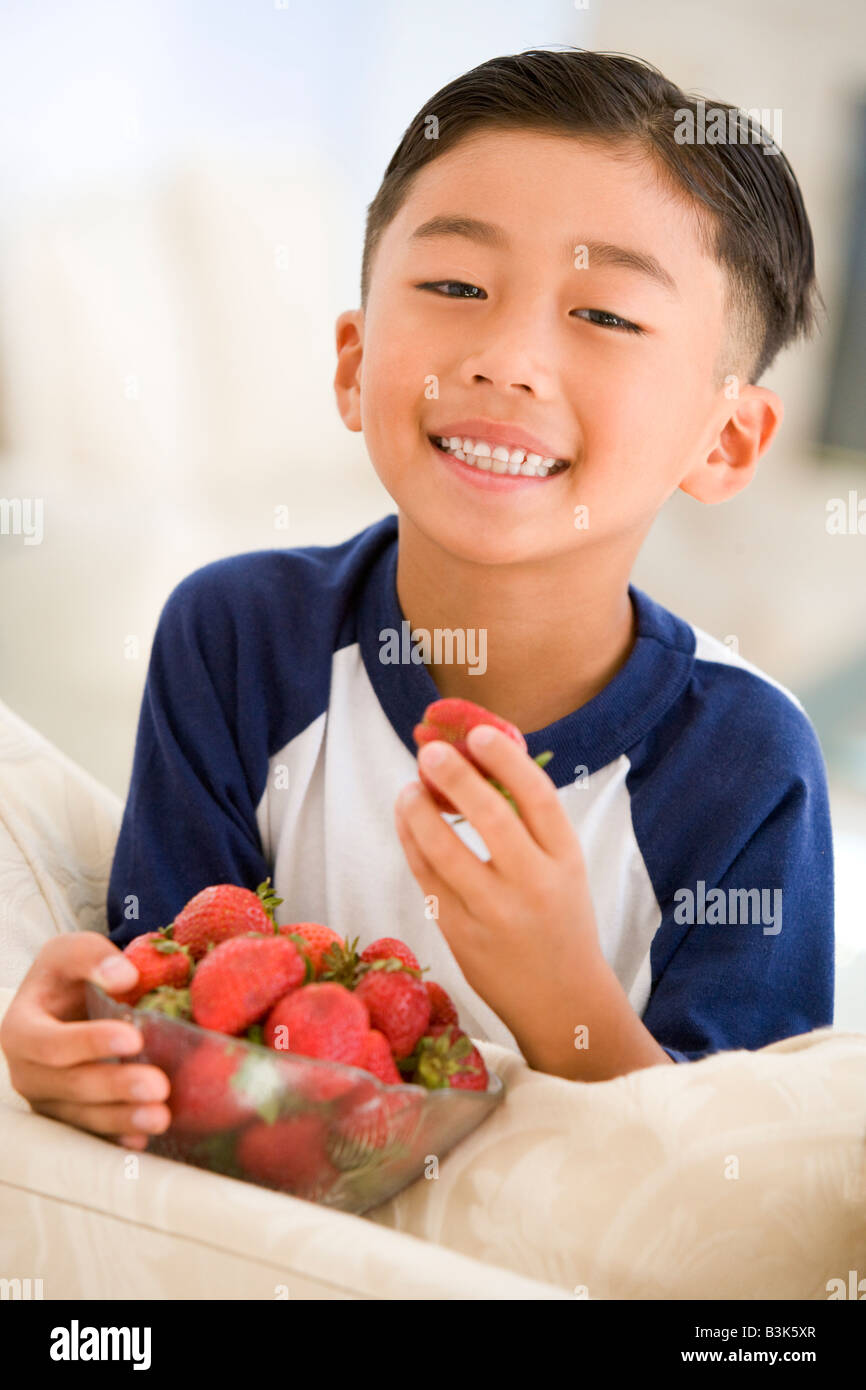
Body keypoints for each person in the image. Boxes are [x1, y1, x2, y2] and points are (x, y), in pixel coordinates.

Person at [1, 48, 833, 1151]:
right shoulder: (237, 639)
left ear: (724, 437)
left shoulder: (747, 765)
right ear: (353, 363)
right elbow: (172, 1021)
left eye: (606, 315)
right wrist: (90, 1054)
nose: (506, 356)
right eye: (452, 287)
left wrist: (560, 998)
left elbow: (741, 1197)